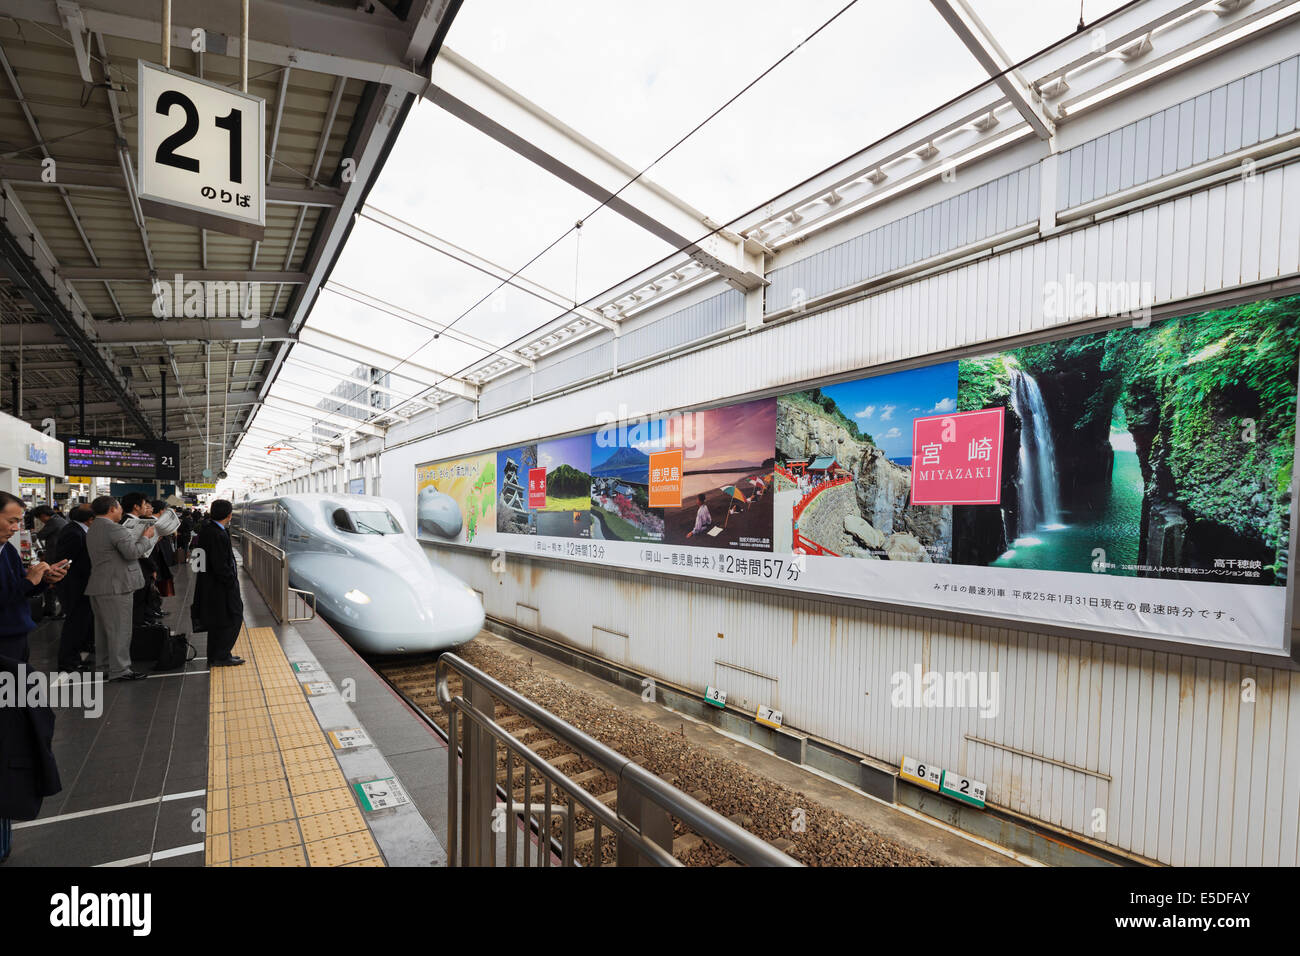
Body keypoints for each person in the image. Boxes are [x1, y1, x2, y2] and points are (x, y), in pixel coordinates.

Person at [0, 490, 66, 863]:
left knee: (18, 718)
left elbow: (17, 592)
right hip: (1, 649)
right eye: (11, 519)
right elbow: (8, 592)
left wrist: (45, 579)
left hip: (16, 638)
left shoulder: (7, 550)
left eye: (19, 520)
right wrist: (30, 579)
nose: (17, 527)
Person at [84, 496, 155, 682]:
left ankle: (105, 666)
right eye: (119, 508)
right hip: (116, 586)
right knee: (120, 630)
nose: (121, 511)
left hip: (99, 585)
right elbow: (132, 553)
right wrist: (146, 539)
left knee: (103, 631)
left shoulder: (94, 528)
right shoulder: (114, 528)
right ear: (112, 509)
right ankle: (120, 670)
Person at [195, 499, 244, 667]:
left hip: (209, 584)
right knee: (233, 617)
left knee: (218, 621)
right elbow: (220, 565)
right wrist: (231, 581)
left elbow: (197, 561)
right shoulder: (218, 533)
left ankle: (216, 655)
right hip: (220, 586)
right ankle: (221, 656)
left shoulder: (207, 529)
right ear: (229, 515)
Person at [54, 506, 95, 672]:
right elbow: (66, 560)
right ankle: (68, 662)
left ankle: (76, 657)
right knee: (74, 624)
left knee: (81, 622)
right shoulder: (73, 532)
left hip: (80, 585)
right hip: (73, 586)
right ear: (90, 519)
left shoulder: (77, 529)